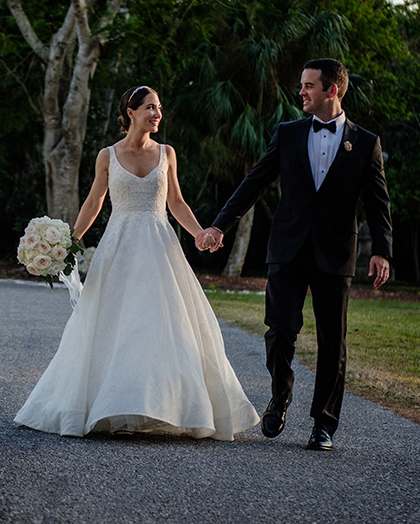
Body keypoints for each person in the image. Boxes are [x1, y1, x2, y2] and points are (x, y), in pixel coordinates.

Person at [14, 86, 260, 440]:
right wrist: (71, 242)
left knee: (162, 325)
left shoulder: (167, 153)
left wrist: (199, 233)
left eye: (159, 108)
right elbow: (94, 201)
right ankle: (106, 405)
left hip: (160, 247)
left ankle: (164, 405)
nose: (157, 114)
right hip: (119, 245)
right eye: (149, 107)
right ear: (130, 112)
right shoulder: (107, 155)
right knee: (115, 323)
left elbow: (175, 202)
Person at [196, 58, 393, 452]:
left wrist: (383, 251)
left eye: (308, 86)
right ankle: (279, 396)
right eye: (301, 85)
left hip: (335, 253)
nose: (300, 92)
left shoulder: (367, 142)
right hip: (287, 248)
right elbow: (255, 181)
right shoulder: (287, 134)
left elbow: (377, 202)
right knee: (279, 330)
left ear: (331, 90)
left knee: (332, 341)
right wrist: (220, 225)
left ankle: (324, 423)